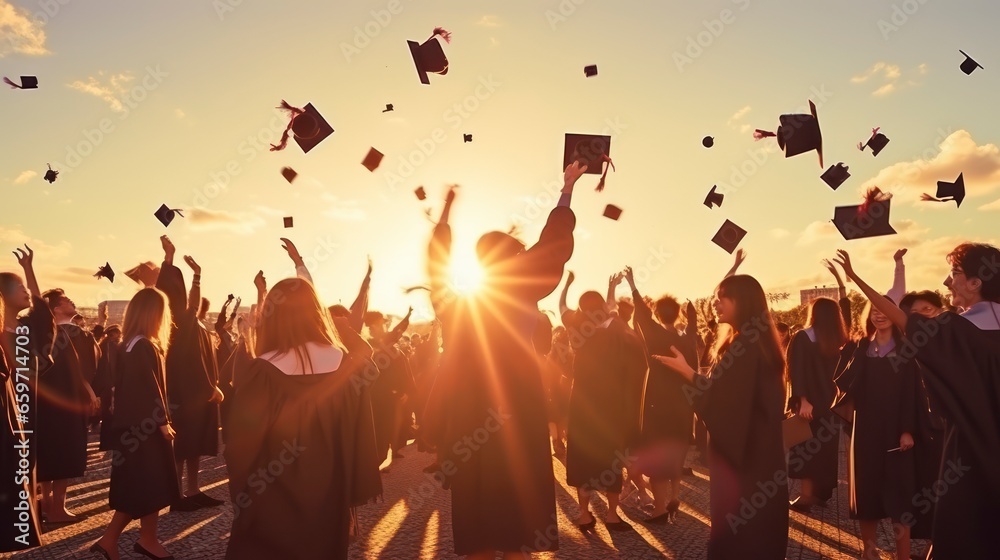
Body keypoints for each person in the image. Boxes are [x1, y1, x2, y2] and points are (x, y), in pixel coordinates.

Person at [423, 163, 584, 559]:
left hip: (470, 413)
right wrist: (566, 189)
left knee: (478, 515)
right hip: (518, 409)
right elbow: (553, 246)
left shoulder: (457, 303)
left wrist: (446, 211)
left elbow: (436, 262)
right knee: (519, 513)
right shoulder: (522, 295)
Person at [837, 244, 1000, 559]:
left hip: (969, 452)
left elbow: (902, 319)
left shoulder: (956, 330)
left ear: (975, 282)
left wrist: (855, 277)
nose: (946, 282)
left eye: (954, 274)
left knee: (964, 533)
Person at [225, 275, 382, 560]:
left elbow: (241, 447)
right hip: (329, 500)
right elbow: (356, 438)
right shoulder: (346, 366)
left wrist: (243, 498)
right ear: (317, 313)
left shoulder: (262, 370)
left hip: (270, 499)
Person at [653, 274, 788, 559]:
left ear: (742, 302)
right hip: (761, 454)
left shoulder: (742, 347)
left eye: (722, 297)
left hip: (743, 459)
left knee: (738, 533)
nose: (715, 303)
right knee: (759, 529)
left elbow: (724, 403)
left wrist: (688, 373)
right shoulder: (759, 341)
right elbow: (729, 396)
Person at [91, 288, 180, 560]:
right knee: (146, 484)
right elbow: (148, 387)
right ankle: (138, 539)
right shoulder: (142, 345)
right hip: (145, 429)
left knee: (142, 485)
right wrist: (162, 422)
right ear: (153, 313)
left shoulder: (130, 343)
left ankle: (137, 539)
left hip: (134, 427)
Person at [834, 295, 918, 560]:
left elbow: (913, 393)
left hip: (896, 429)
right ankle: (869, 553)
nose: (878, 315)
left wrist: (907, 429)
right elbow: (844, 382)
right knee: (866, 493)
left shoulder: (907, 349)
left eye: (884, 310)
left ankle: (902, 556)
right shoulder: (861, 347)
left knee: (900, 496)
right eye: (874, 310)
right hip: (865, 429)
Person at [564, 290, 645, 532]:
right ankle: (611, 515)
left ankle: (584, 514)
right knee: (610, 460)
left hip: (581, 406)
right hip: (609, 407)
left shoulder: (577, 334)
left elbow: (563, 308)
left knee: (582, 460)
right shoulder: (614, 331)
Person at [154, 236, 225, 512]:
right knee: (182, 445)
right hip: (184, 394)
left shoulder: (196, 325)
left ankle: (193, 490)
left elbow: (192, 306)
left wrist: (197, 275)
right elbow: (173, 294)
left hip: (200, 396)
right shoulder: (176, 324)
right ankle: (176, 495)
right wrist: (170, 260)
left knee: (194, 444)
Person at [625, 267, 698, 523]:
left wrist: (633, 284)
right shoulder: (688, 339)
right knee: (675, 453)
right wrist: (692, 317)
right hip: (682, 406)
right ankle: (674, 497)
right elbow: (691, 329)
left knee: (656, 459)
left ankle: (658, 509)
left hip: (657, 403)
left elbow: (642, 317)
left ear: (657, 313)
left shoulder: (655, 335)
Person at [36, 286, 100, 522]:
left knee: (49, 453)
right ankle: (57, 508)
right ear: (54, 309)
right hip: (72, 400)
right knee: (66, 453)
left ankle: (47, 504)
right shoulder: (80, 335)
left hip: (47, 402)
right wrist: (92, 392)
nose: (71, 300)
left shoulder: (44, 334)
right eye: (65, 300)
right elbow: (86, 369)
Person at [0, 249, 48, 552]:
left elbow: (43, 314)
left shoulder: (26, 330)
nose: (27, 292)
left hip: (25, 410)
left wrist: (29, 269)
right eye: (20, 287)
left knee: (22, 471)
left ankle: (21, 528)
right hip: (6, 410)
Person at [785, 293, 849, 512]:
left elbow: (796, 370)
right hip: (830, 404)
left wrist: (801, 399)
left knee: (807, 449)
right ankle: (821, 495)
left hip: (810, 404)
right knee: (823, 449)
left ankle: (806, 497)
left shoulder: (804, 336)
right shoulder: (837, 340)